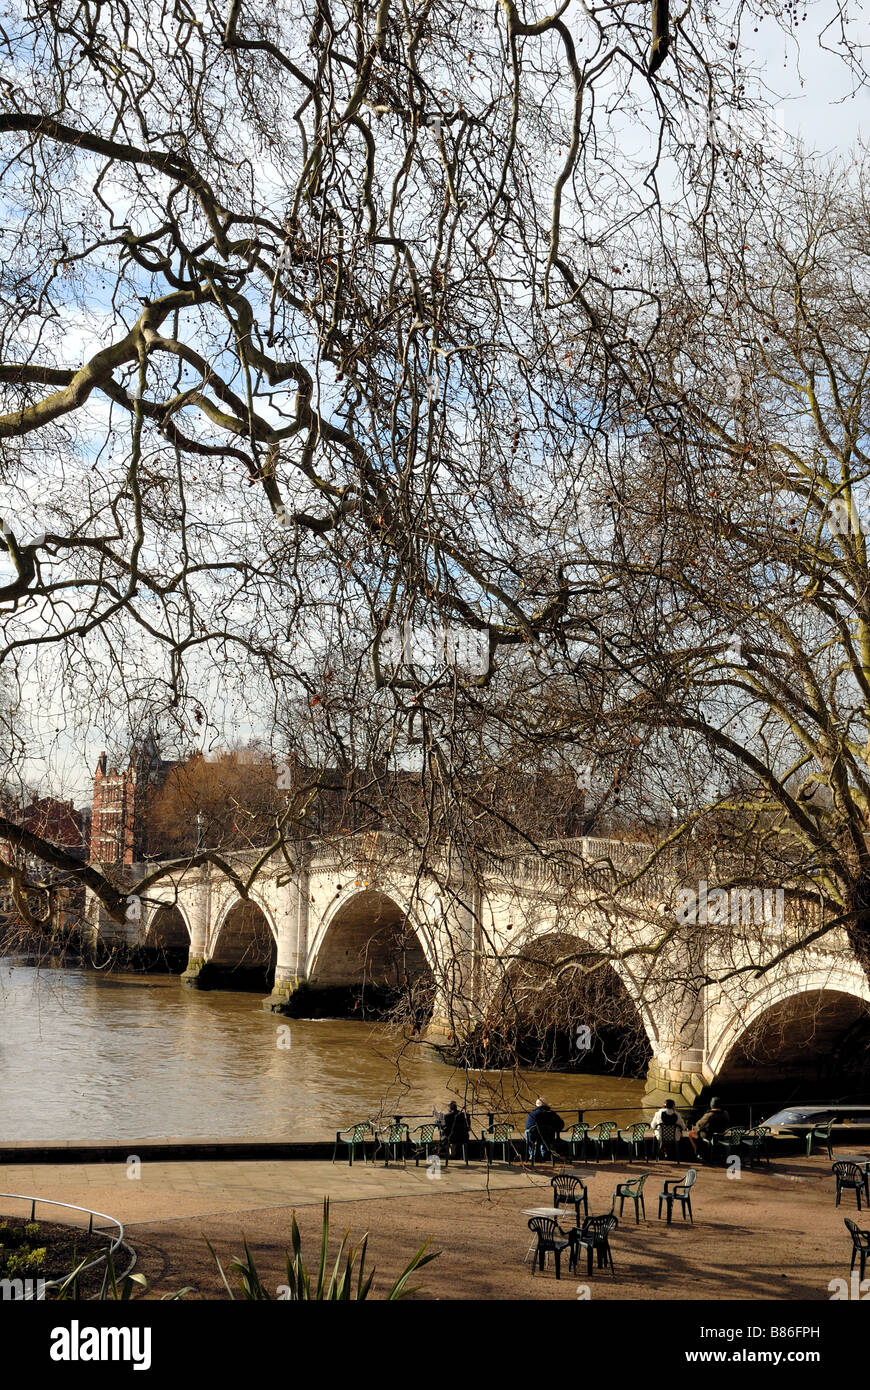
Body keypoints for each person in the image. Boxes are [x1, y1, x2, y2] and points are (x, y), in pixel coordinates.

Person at [525, 1097, 564, 1162]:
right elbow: (561, 1124)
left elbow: (527, 1126)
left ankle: (532, 1155)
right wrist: (553, 1128)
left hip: (535, 1137)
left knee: (527, 1132)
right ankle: (545, 1155)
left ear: (537, 1105)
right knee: (545, 1139)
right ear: (546, 1105)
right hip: (548, 1137)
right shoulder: (552, 1114)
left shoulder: (533, 1114)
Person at [695, 1096, 731, 1160]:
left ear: (711, 1104)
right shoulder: (725, 1113)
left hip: (710, 1136)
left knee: (696, 1133)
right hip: (722, 1135)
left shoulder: (709, 1114)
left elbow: (699, 1124)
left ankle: (699, 1154)